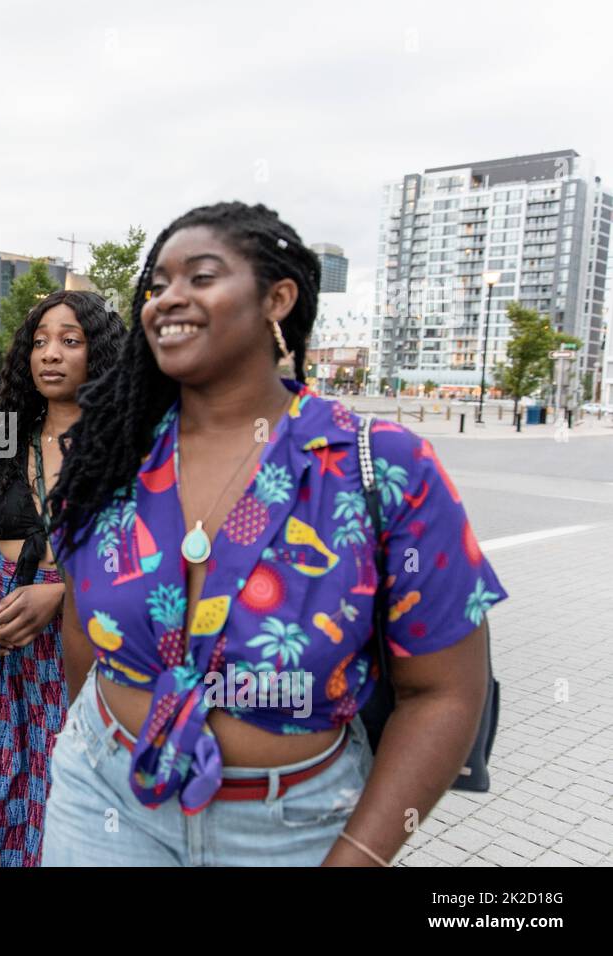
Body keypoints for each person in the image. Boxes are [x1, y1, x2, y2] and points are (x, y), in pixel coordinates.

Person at [44, 202, 505, 866]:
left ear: (278, 298)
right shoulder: (109, 455)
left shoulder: (382, 464)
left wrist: (358, 856)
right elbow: (85, 632)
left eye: (200, 277)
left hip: (295, 828)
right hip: (104, 803)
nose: (167, 299)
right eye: (157, 285)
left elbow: (444, 692)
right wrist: (88, 747)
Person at [0, 291, 125, 866]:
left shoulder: (126, 449)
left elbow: (148, 564)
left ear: (99, 354)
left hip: (83, 659)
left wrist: (63, 594)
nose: (50, 354)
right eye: (39, 342)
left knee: (58, 808)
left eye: (69, 340)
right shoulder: (8, 440)